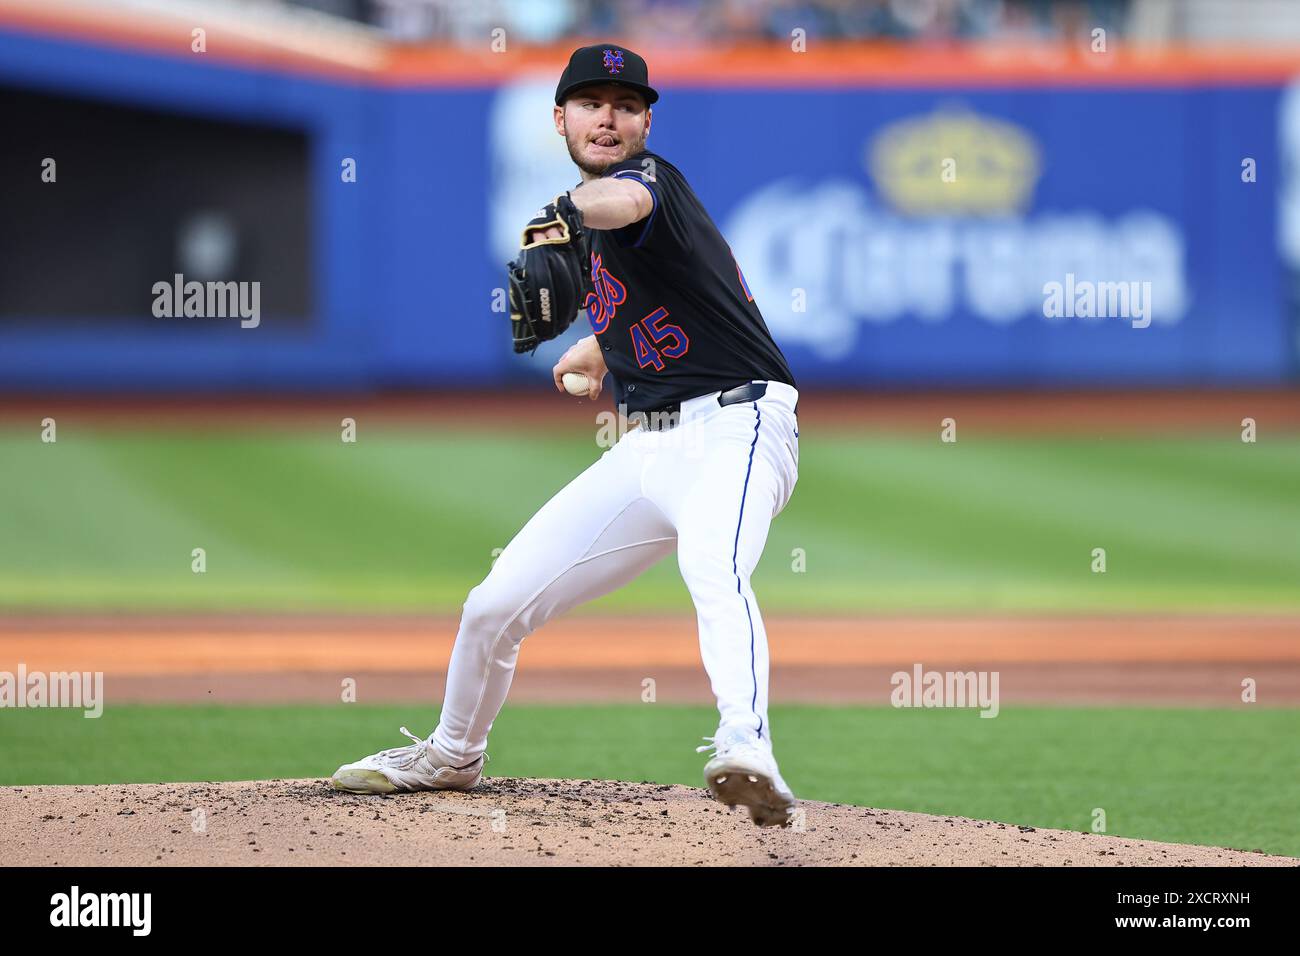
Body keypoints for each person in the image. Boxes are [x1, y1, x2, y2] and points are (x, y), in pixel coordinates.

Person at [332, 44, 802, 827]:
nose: (607, 117)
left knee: (714, 567)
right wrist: (595, 348)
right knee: (493, 605)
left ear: (647, 119)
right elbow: (640, 303)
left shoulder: (647, 186)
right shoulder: (583, 230)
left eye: (624, 104)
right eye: (590, 102)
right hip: (649, 449)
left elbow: (621, 205)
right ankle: (452, 753)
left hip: (740, 427)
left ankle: (746, 745)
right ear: (561, 118)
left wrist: (562, 212)